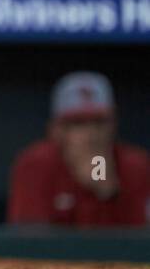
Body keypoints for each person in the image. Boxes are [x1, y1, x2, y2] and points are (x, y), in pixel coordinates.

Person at [8, 72, 150, 226]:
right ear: (55, 130)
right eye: (78, 123)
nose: (91, 134)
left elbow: (140, 244)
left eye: (99, 122)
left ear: (114, 125)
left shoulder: (137, 167)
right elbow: (29, 243)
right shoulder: (36, 165)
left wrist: (106, 193)